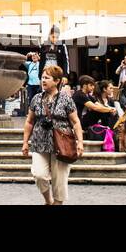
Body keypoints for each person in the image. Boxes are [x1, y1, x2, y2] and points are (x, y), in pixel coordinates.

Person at [21, 64, 84, 205]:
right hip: (39, 142)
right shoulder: (36, 98)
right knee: (39, 174)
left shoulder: (66, 99)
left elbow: (75, 122)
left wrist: (80, 142)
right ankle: (48, 199)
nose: (43, 80)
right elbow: (29, 121)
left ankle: (57, 203)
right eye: (42, 77)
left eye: (47, 78)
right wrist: (25, 142)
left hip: (62, 142)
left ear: (57, 81)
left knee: (59, 179)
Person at [22, 51, 41, 117]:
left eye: (35, 56)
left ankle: (38, 112)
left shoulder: (40, 64)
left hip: (38, 84)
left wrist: (39, 57)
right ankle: (31, 113)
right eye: (33, 56)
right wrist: (27, 55)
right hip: (30, 84)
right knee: (31, 99)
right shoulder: (29, 64)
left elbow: (43, 62)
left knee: (39, 99)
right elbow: (23, 61)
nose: (34, 57)